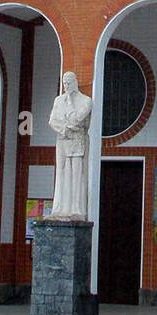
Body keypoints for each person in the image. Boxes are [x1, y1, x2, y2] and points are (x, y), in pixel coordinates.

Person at [49, 72, 93, 219]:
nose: (66, 85)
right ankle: (60, 208)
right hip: (62, 140)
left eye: (69, 82)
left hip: (77, 141)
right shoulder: (58, 100)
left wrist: (68, 123)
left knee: (77, 174)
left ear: (76, 82)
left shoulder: (86, 101)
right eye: (64, 83)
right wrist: (65, 128)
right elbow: (52, 121)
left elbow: (78, 119)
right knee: (61, 173)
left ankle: (76, 208)